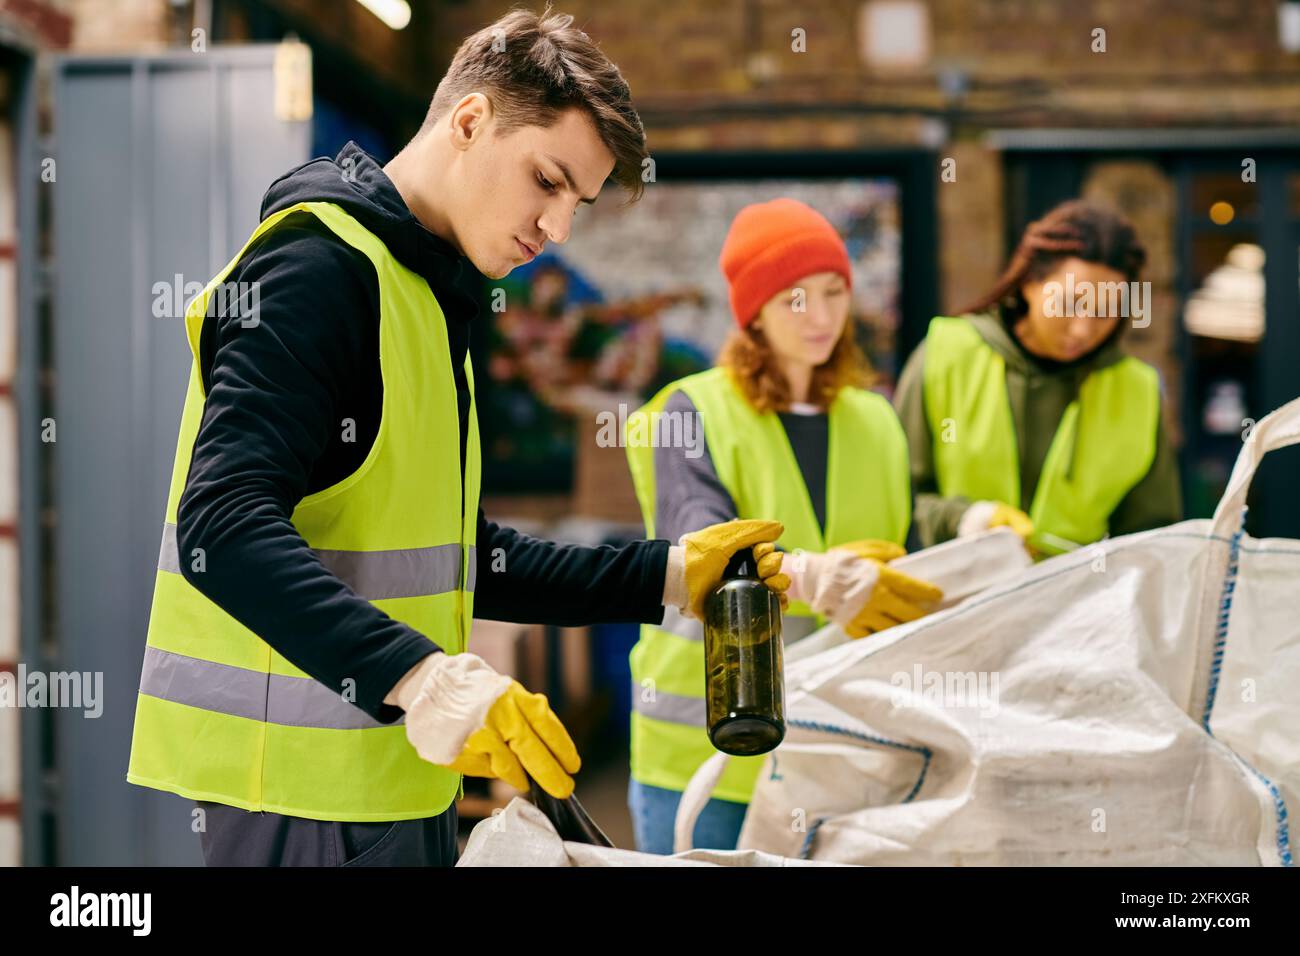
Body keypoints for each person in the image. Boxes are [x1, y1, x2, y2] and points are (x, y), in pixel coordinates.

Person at [125, 8, 787, 868]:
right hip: (295, 801)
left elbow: (461, 557)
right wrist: (423, 678)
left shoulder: (427, 293)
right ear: (470, 122)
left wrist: (664, 575)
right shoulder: (315, 272)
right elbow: (222, 524)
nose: (558, 230)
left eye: (576, 203)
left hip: (397, 780)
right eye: (547, 181)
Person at [623, 198, 942, 854]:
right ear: (755, 313)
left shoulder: (877, 420)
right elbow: (701, 544)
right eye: (795, 298)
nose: (821, 316)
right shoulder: (690, 411)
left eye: (834, 292)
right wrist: (813, 576)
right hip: (705, 757)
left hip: (843, 754)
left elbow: (902, 547)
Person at [894, 199, 1182, 555]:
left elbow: (1153, 537)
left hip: (1081, 604)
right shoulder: (946, 355)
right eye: (1071, 303)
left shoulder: (1137, 389)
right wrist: (965, 519)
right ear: (1029, 283)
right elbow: (893, 499)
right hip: (959, 600)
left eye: (1105, 312)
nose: (1083, 330)